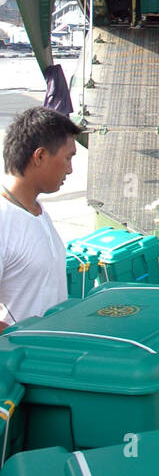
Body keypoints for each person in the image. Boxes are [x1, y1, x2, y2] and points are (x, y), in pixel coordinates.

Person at [1, 107, 82, 330]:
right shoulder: (3, 221)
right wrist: (24, 342)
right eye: (68, 158)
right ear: (40, 156)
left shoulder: (36, 210)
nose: (71, 169)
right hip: (24, 360)